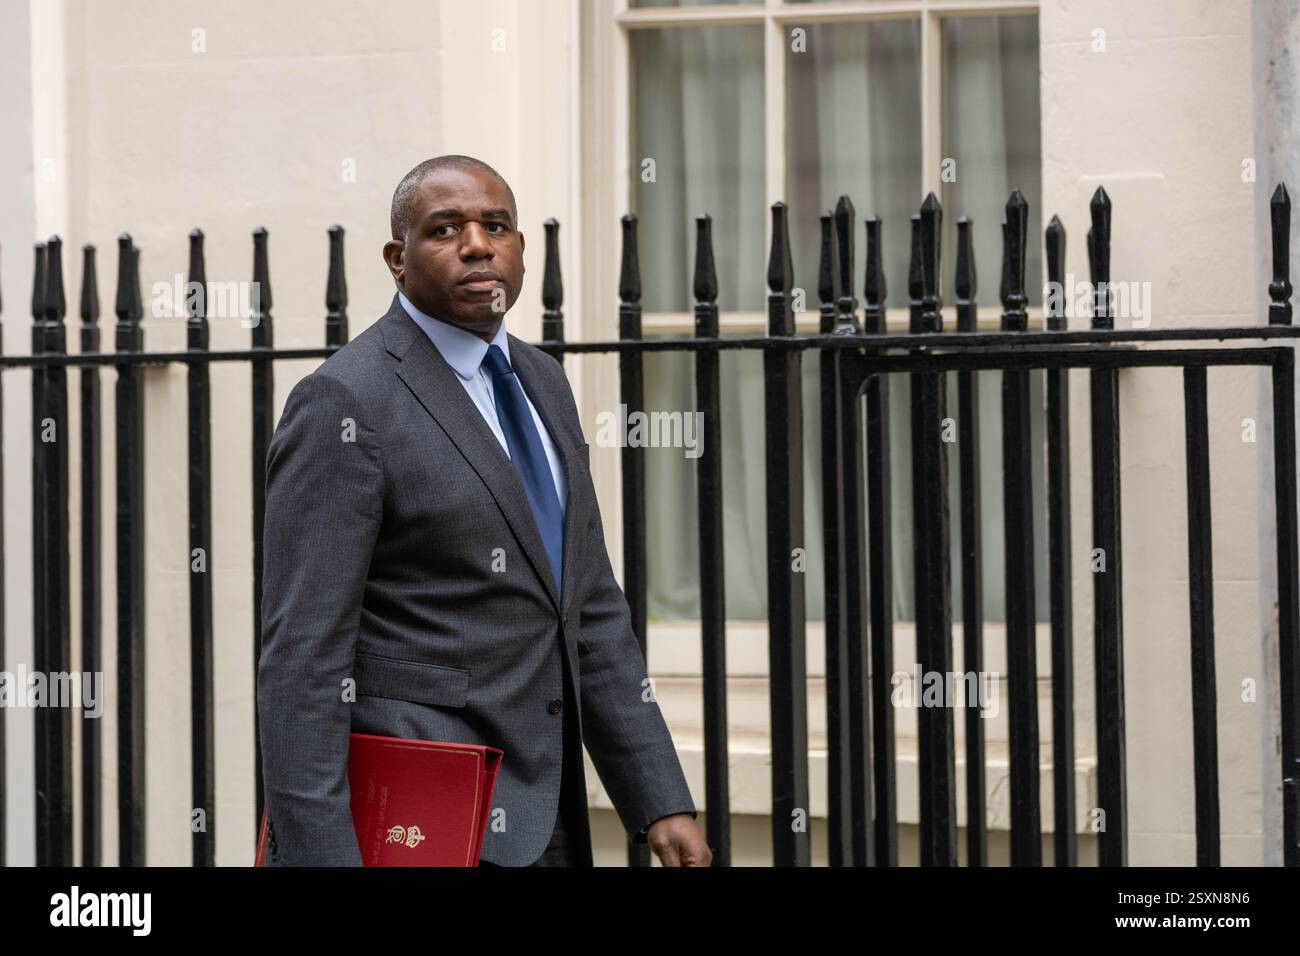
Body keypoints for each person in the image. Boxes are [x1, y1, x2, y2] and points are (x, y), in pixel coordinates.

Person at [256, 154, 711, 867]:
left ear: (520, 248)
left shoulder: (542, 382)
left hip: (547, 814)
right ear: (397, 260)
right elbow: (302, 662)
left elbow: (586, 606)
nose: (477, 243)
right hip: (421, 819)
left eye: (495, 225)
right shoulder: (346, 402)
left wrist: (658, 795)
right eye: (445, 228)